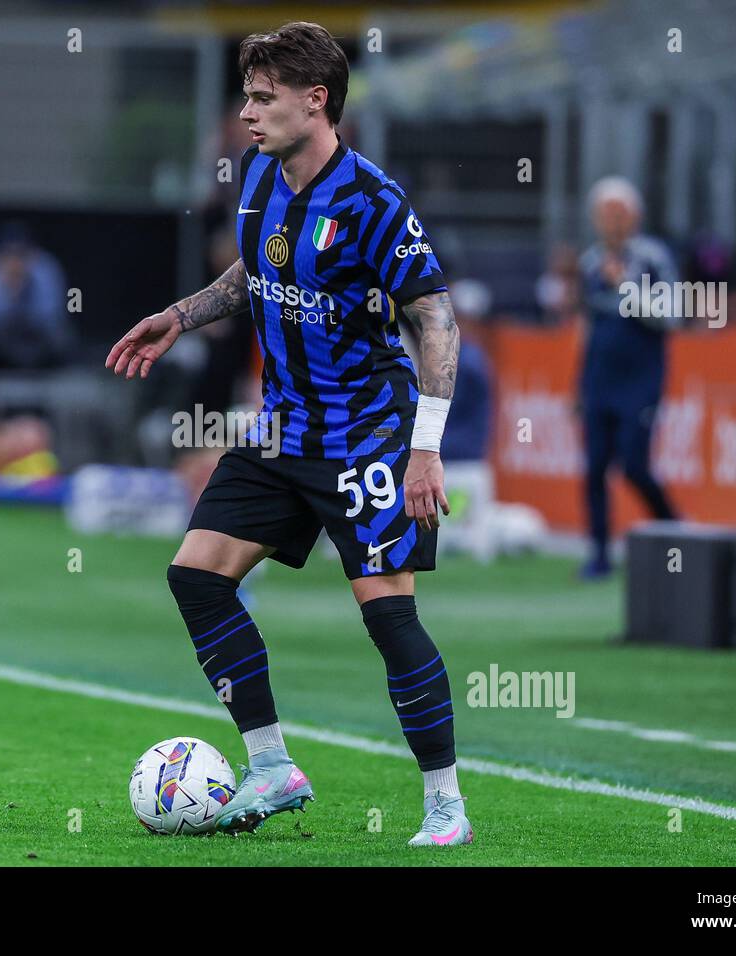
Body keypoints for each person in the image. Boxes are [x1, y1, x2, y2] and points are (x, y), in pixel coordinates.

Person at [106, 22, 472, 848]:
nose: (247, 113)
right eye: (247, 96)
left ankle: (445, 804)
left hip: (367, 434)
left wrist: (424, 447)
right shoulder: (259, 177)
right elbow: (260, 269)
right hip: (283, 430)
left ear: (317, 102)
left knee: (387, 617)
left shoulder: (373, 201)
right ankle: (271, 764)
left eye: (263, 98)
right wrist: (181, 316)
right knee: (197, 577)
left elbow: (437, 323)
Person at [577, 176, 679, 579]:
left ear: (634, 217)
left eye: (619, 214)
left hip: (640, 381)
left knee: (635, 465)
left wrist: (627, 288)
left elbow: (671, 316)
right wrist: (579, 384)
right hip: (600, 380)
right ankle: (600, 554)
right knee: (594, 467)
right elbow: (587, 326)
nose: (612, 223)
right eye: (605, 215)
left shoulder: (653, 259)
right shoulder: (590, 263)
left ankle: (674, 529)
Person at [0, 222, 71, 371]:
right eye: (9, 254)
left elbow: (54, 317)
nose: (15, 262)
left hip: (40, 345)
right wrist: (7, 294)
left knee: (62, 338)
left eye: (21, 254)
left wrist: (25, 289)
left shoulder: (45, 268)